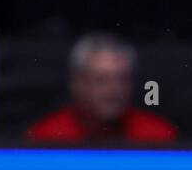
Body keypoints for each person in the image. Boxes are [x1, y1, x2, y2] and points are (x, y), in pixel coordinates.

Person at [26, 33, 177, 143]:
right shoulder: (45, 137)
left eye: (121, 79)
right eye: (101, 80)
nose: (113, 90)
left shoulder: (158, 136)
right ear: (77, 84)